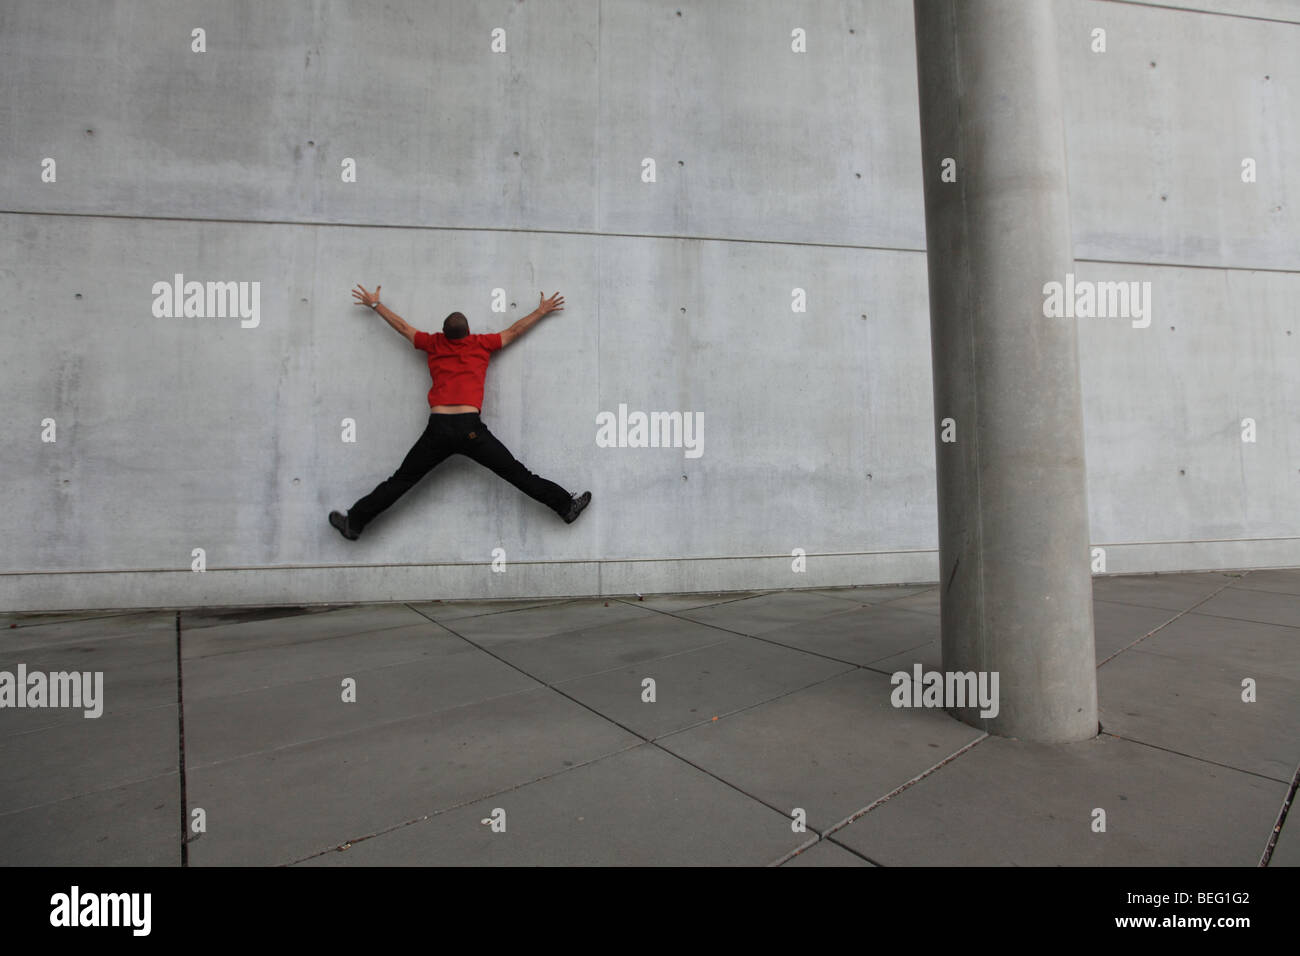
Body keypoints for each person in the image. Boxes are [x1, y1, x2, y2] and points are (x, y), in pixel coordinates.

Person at [329, 284, 590, 540]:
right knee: (519, 475)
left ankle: (354, 523)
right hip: (469, 429)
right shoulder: (481, 344)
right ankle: (566, 507)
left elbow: (403, 327)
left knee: (400, 481)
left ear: (443, 332)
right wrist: (542, 310)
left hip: (438, 428)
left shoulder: (433, 343)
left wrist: (375, 304)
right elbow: (515, 330)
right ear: (468, 331)